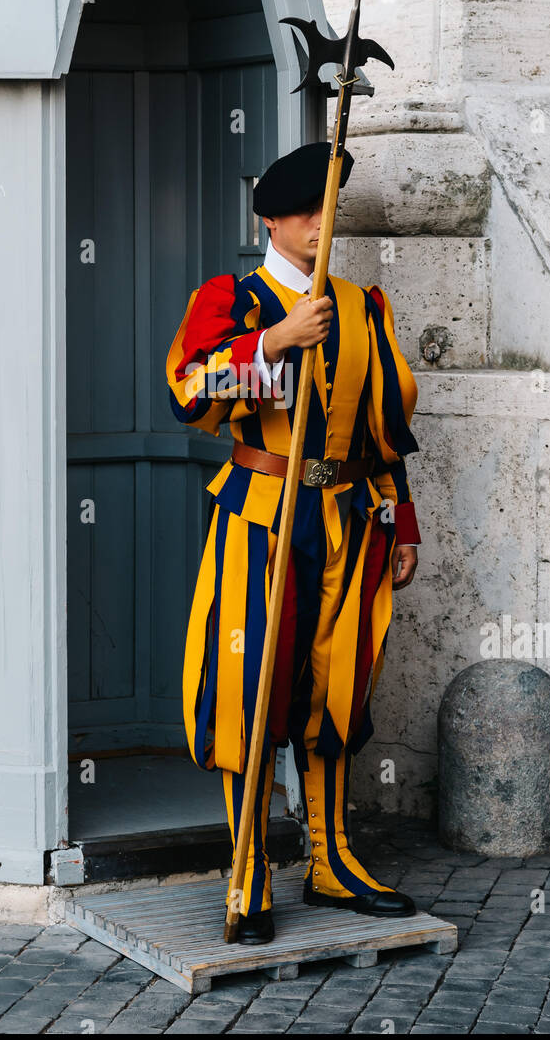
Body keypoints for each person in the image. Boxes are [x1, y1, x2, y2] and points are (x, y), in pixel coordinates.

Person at [165, 141, 421, 944]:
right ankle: (247, 872)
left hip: (348, 512)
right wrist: (273, 344)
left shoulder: (360, 305)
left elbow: (385, 432)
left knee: (337, 687)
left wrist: (400, 521)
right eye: (304, 211)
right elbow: (190, 394)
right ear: (270, 219)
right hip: (260, 513)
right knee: (250, 688)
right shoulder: (231, 300)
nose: (319, 224)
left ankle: (330, 861)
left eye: (327, 209)